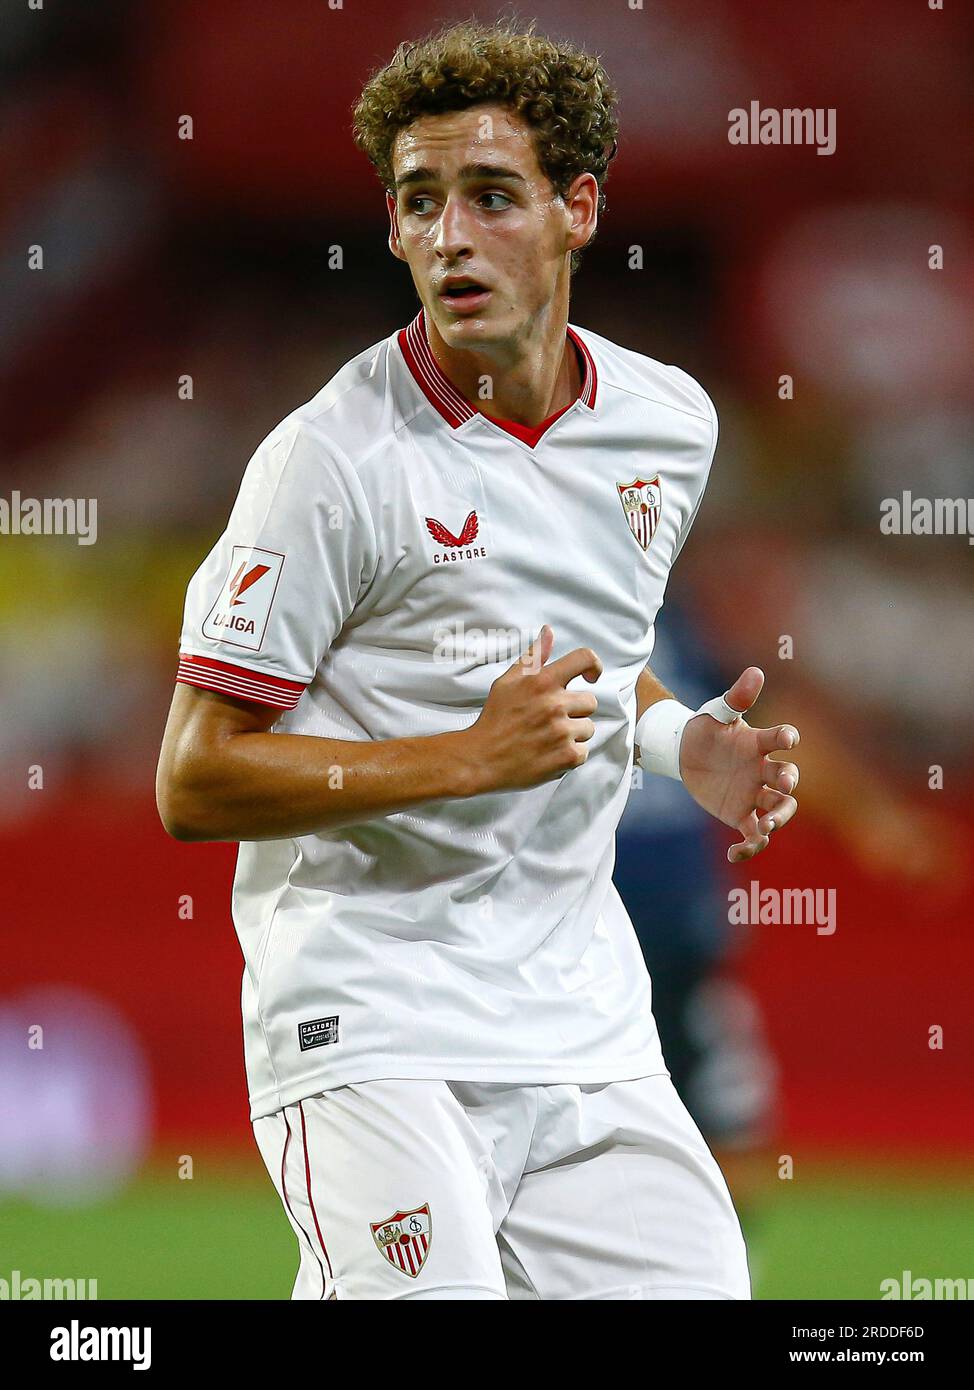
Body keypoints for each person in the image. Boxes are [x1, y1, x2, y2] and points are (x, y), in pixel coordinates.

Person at [156, 19, 799, 1301]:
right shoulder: (326, 462)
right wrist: (460, 760)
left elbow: (594, 669)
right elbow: (194, 778)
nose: (450, 235)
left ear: (577, 209)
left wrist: (682, 743)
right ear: (390, 230)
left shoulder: (667, 424)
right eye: (418, 202)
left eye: (491, 196)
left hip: (580, 1019)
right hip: (367, 1012)